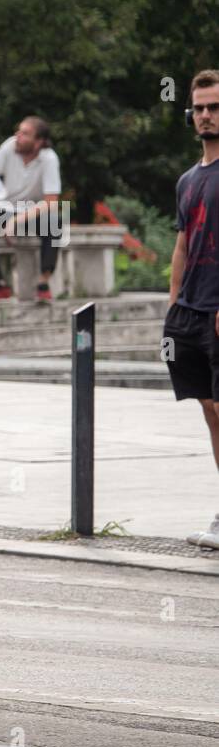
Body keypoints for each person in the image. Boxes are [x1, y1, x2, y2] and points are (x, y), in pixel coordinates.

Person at [162, 70, 219, 547]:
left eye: (214, 107)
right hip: (191, 314)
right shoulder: (188, 180)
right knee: (209, 409)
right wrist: (173, 305)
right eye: (199, 108)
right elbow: (182, 245)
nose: (205, 115)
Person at [0, 116, 63, 303]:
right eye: (18, 131)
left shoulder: (49, 159)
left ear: (39, 142)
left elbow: (51, 201)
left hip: (33, 213)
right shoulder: (10, 146)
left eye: (25, 133)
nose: (18, 136)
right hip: (6, 207)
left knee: (55, 222)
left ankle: (43, 283)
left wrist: (15, 221)